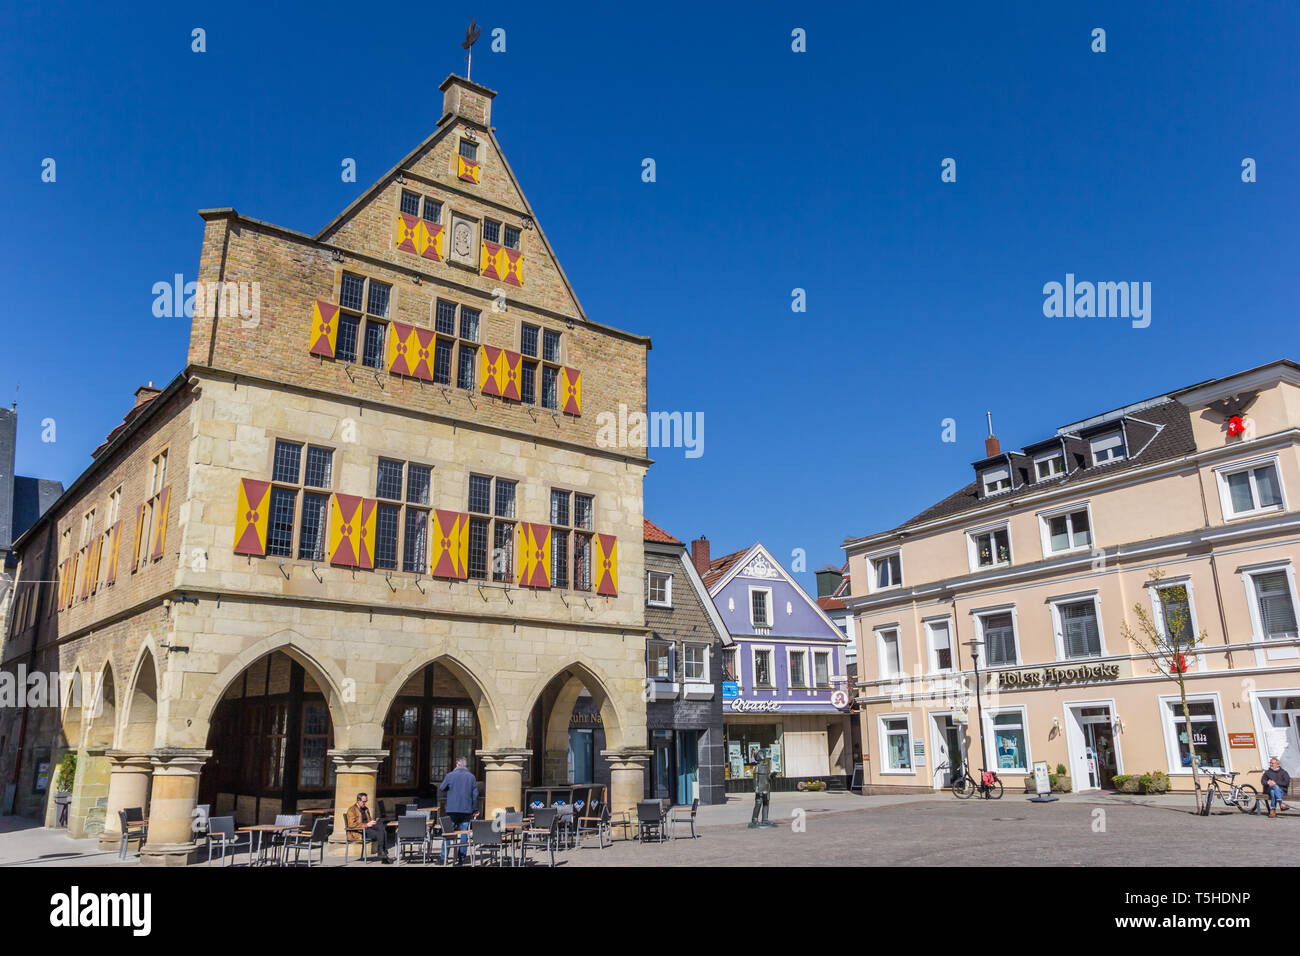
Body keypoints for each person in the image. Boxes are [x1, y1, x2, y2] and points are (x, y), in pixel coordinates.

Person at [438, 756, 480, 863]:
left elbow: (442, 788)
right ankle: (461, 858)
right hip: (466, 810)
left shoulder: (450, 775)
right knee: (464, 833)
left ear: (457, 764)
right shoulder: (471, 777)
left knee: (447, 833)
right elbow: (475, 795)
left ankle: (444, 857)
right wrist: (475, 809)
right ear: (466, 765)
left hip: (452, 809)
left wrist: (450, 786)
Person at [345, 792, 393, 863]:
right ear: (358, 800)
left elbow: (368, 820)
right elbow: (351, 825)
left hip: (368, 828)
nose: (365, 803)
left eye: (366, 801)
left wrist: (373, 822)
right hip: (359, 832)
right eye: (363, 801)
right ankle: (383, 855)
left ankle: (382, 853)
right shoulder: (351, 810)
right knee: (380, 833)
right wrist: (367, 825)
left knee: (382, 828)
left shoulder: (366, 809)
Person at [749, 756, 775, 828]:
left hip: (766, 787)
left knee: (766, 803)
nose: (763, 756)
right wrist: (756, 789)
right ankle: (755, 819)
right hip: (760, 788)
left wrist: (772, 775)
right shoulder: (757, 767)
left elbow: (768, 778)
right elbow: (755, 780)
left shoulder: (766, 767)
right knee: (758, 803)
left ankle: (765, 819)